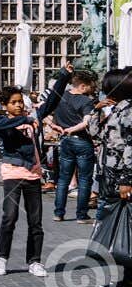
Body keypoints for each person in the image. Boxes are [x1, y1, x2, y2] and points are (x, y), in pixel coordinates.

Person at [0, 84, 46, 277]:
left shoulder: (31, 121)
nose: (18, 105)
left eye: (20, 102)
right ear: (5, 105)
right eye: (13, 103)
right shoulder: (3, 121)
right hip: (13, 173)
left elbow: (51, 105)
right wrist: (27, 119)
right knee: (10, 216)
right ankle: (1, 258)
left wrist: (63, 76)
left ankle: (35, 261)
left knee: (35, 220)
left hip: (33, 174)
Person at [85, 67, 132, 287]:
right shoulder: (118, 110)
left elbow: (130, 148)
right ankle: (127, 276)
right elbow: (95, 134)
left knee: (127, 227)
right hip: (109, 177)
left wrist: (126, 179)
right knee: (119, 225)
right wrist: (96, 111)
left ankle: (129, 278)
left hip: (121, 178)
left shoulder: (129, 111)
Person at [40, 65, 99, 224]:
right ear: (82, 85)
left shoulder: (62, 96)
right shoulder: (86, 101)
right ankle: (81, 215)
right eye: (90, 87)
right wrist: (72, 129)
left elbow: (42, 112)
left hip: (65, 142)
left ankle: (58, 213)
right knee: (85, 179)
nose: (91, 91)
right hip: (81, 142)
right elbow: (86, 123)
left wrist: (55, 127)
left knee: (63, 178)